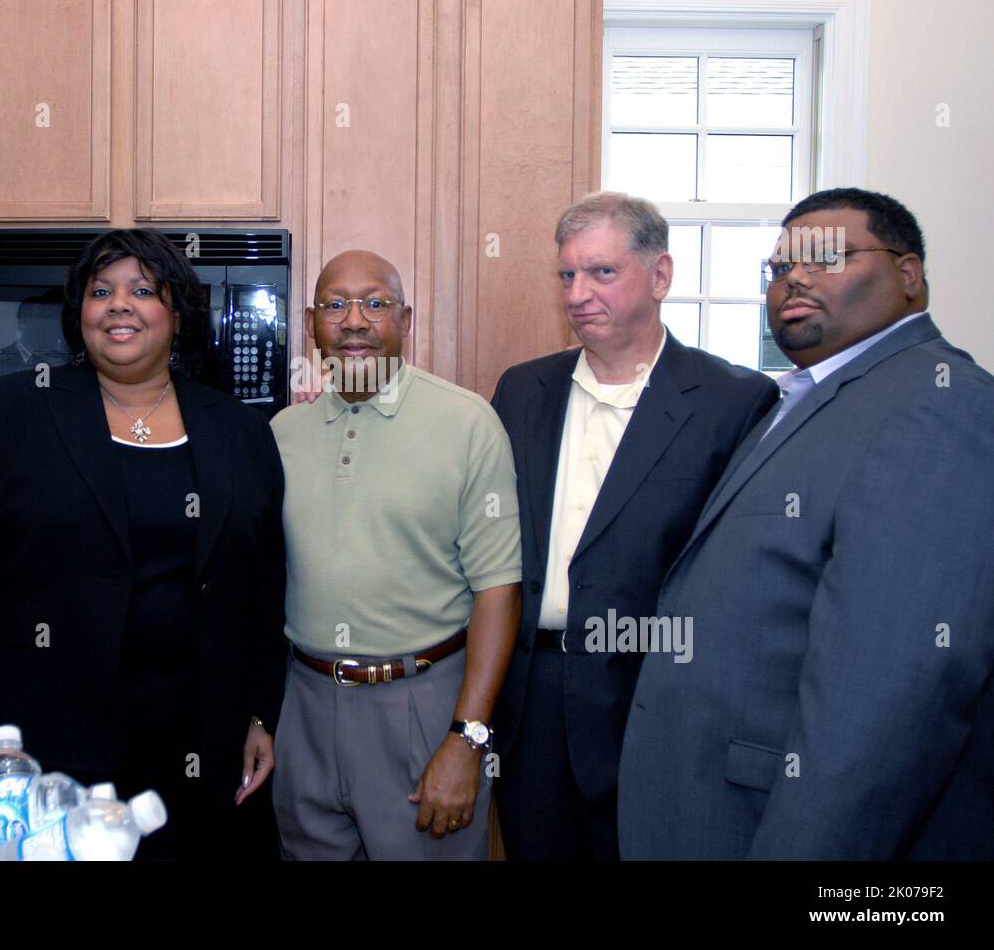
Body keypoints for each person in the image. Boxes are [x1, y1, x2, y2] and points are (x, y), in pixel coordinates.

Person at [619, 187, 994, 859]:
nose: (795, 277)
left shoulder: (937, 404)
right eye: (780, 266)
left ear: (908, 275)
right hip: (711, 809)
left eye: (826, 257)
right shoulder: (801, 399)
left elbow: (889, 700)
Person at [0, 227, 286, 860]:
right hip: (46, 740)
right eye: (101, 291)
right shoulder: (7, 415)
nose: (119, 304)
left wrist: (260, 713)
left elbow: (262, 587)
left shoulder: (239, 430)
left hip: (202, 735)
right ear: (80, 315)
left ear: (176, 312)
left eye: (143, 290)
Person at [489, 192, 777, 860]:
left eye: (602, 272)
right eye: (567, 274)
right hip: (530, 704)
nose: (579, 293)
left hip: (653, 701)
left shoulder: (732, 401)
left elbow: (744, 579)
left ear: (661, 275)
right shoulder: (521, 390)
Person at [271, 250, 522, 860]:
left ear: (405, 320)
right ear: (311, 323)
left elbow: (500, 591)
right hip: (301, 704)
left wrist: (468, 739)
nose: (354, 320)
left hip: (423, 707)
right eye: (334, 305)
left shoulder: (468, 423)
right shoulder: (281, 433)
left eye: (375, 303)